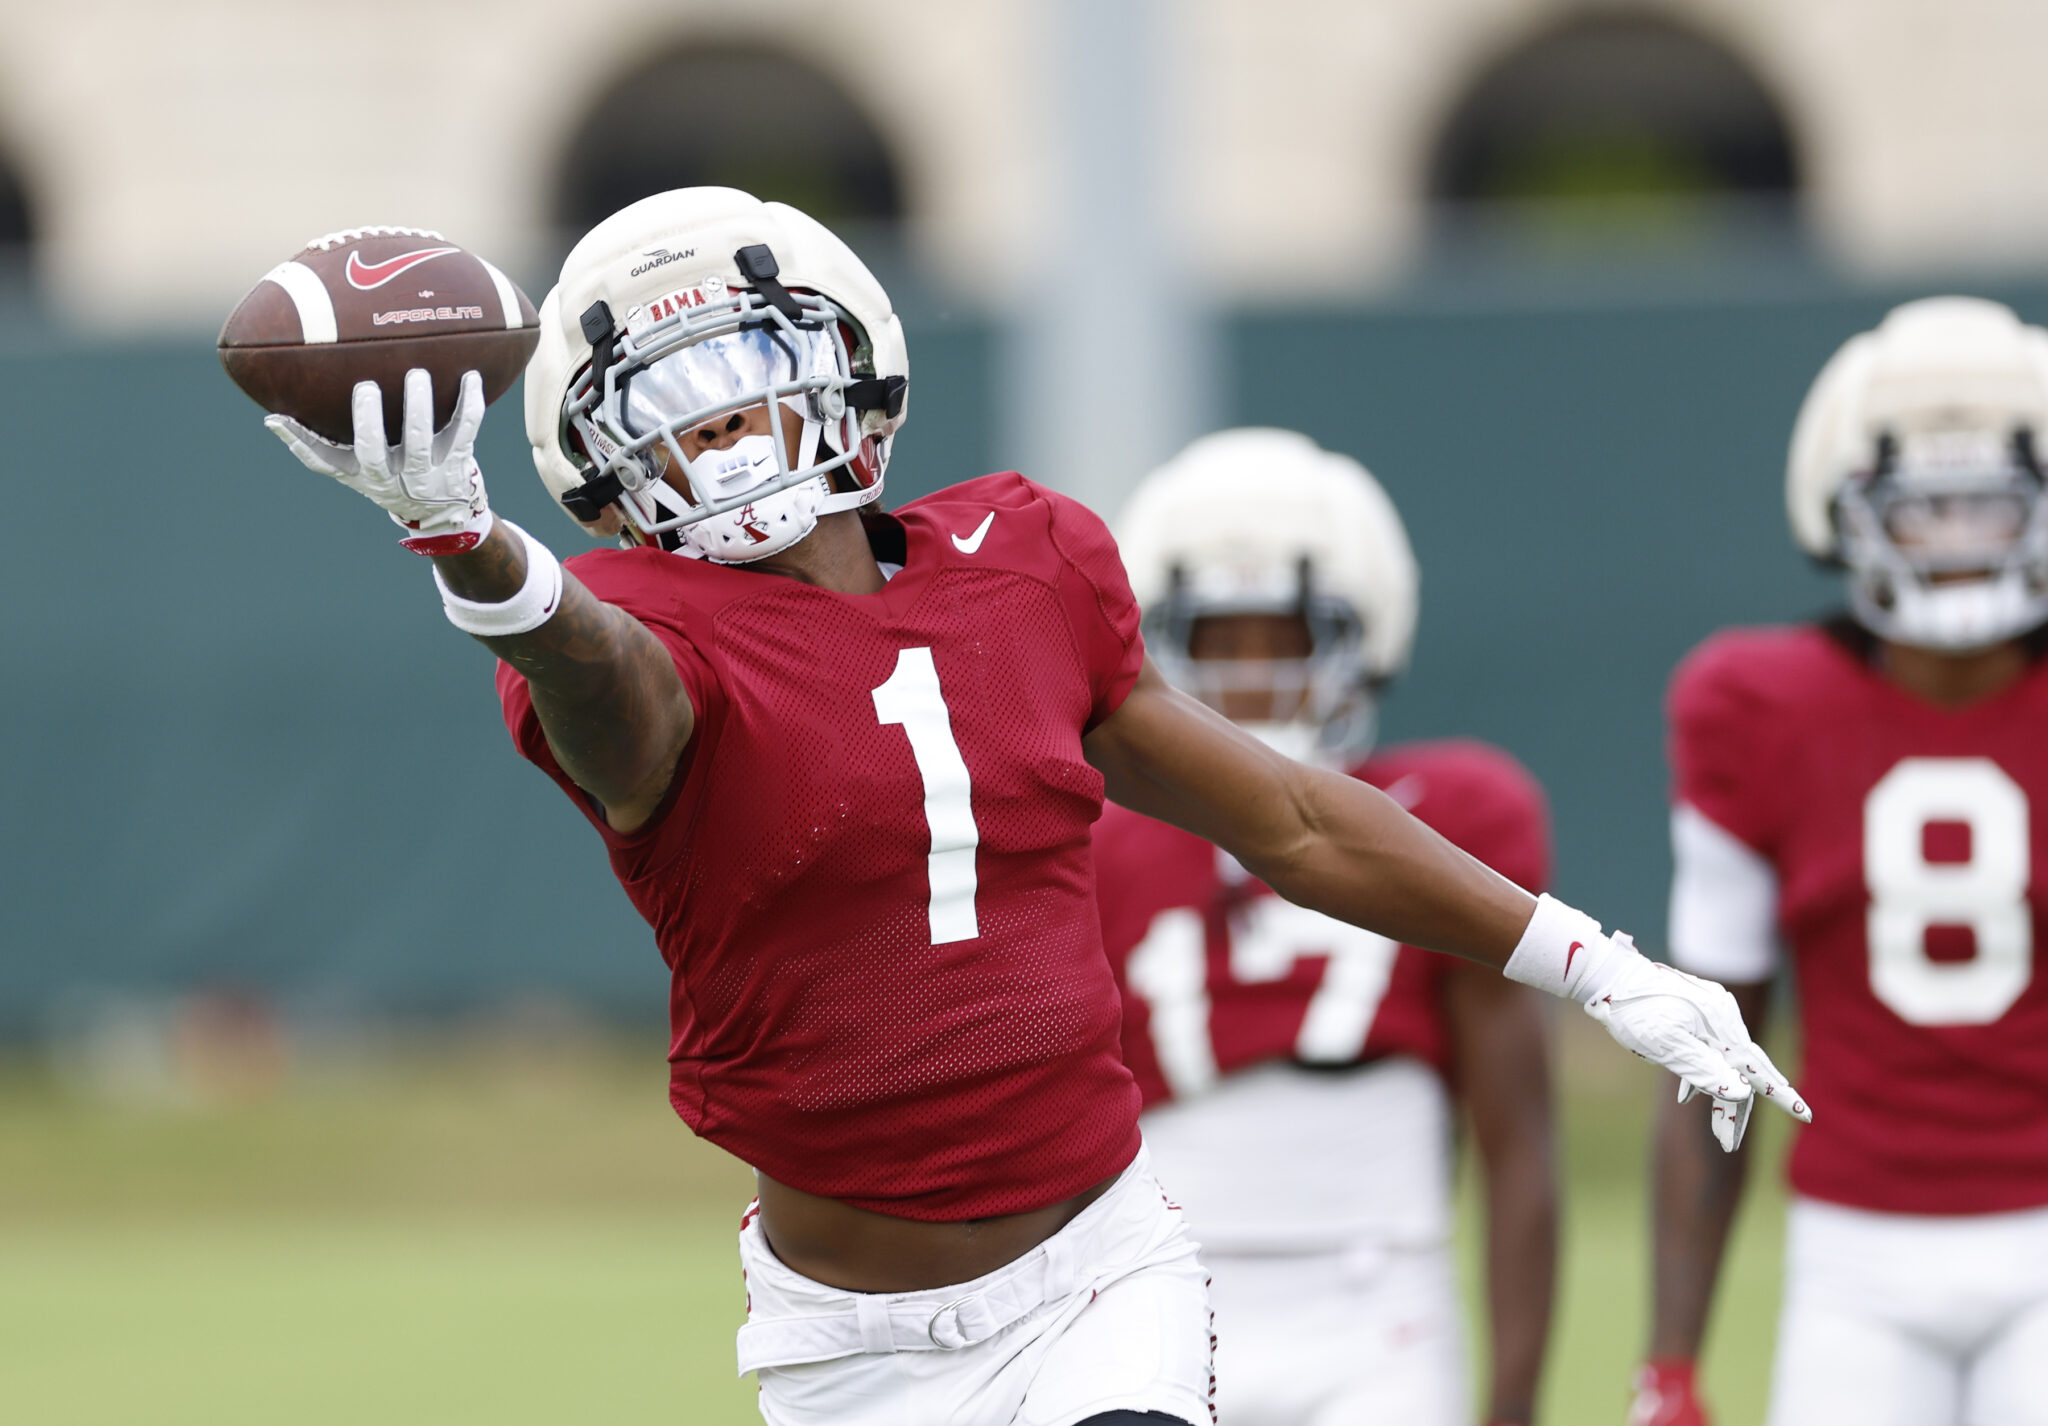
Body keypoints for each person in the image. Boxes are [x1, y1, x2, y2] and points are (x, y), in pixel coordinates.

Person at [262, 185, 1805, 1426]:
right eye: (668, 408)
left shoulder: (1026, 561)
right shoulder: (637, 632)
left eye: (746, 375)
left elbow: (1292, 816)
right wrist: (474, 548)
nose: (720, 428)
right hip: (850, 1342)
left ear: (852, 370)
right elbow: (613, 690)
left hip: (1100, 1271)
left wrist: (1600, 966)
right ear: (603, 473)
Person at [1631, 296, 2048, 1426]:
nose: (1957, 542)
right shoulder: (1756, 706)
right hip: (1854, 1255)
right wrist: (1669, 1364)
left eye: (1988, 506)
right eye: (1925, 510)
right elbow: (1711, 1044)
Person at [1093, 429, 1557, 1426]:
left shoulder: (1449, 816)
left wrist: (1512, 1406)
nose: (1252, 678)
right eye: (1219, 642)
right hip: (1156, 1290)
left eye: (1284, 639)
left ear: (1361, 639)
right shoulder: (1094, 837)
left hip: (1378, 1304)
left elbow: (1520, 1142)